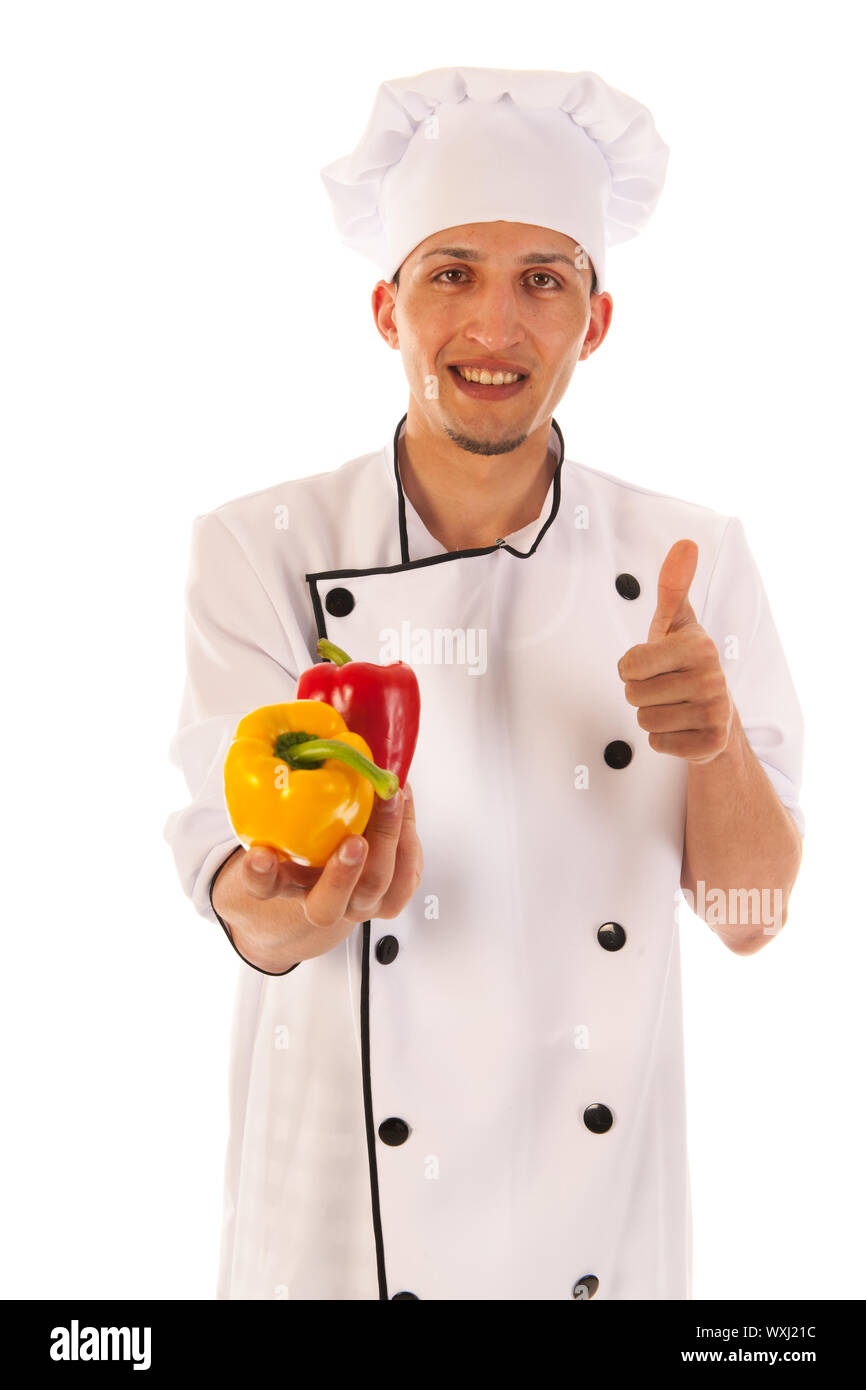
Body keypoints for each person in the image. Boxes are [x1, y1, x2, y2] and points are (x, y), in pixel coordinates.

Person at [164, 66, 804, 1301]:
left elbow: (749, 915)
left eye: (542, 282)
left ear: (595, 320)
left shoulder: (688, 555)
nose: (494, 331)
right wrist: (311, 901)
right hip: (343, 1221)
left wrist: (715, 740)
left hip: (597, 1238)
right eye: (450, 272)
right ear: (385, 308)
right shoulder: (261, 548)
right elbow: (247, 902)